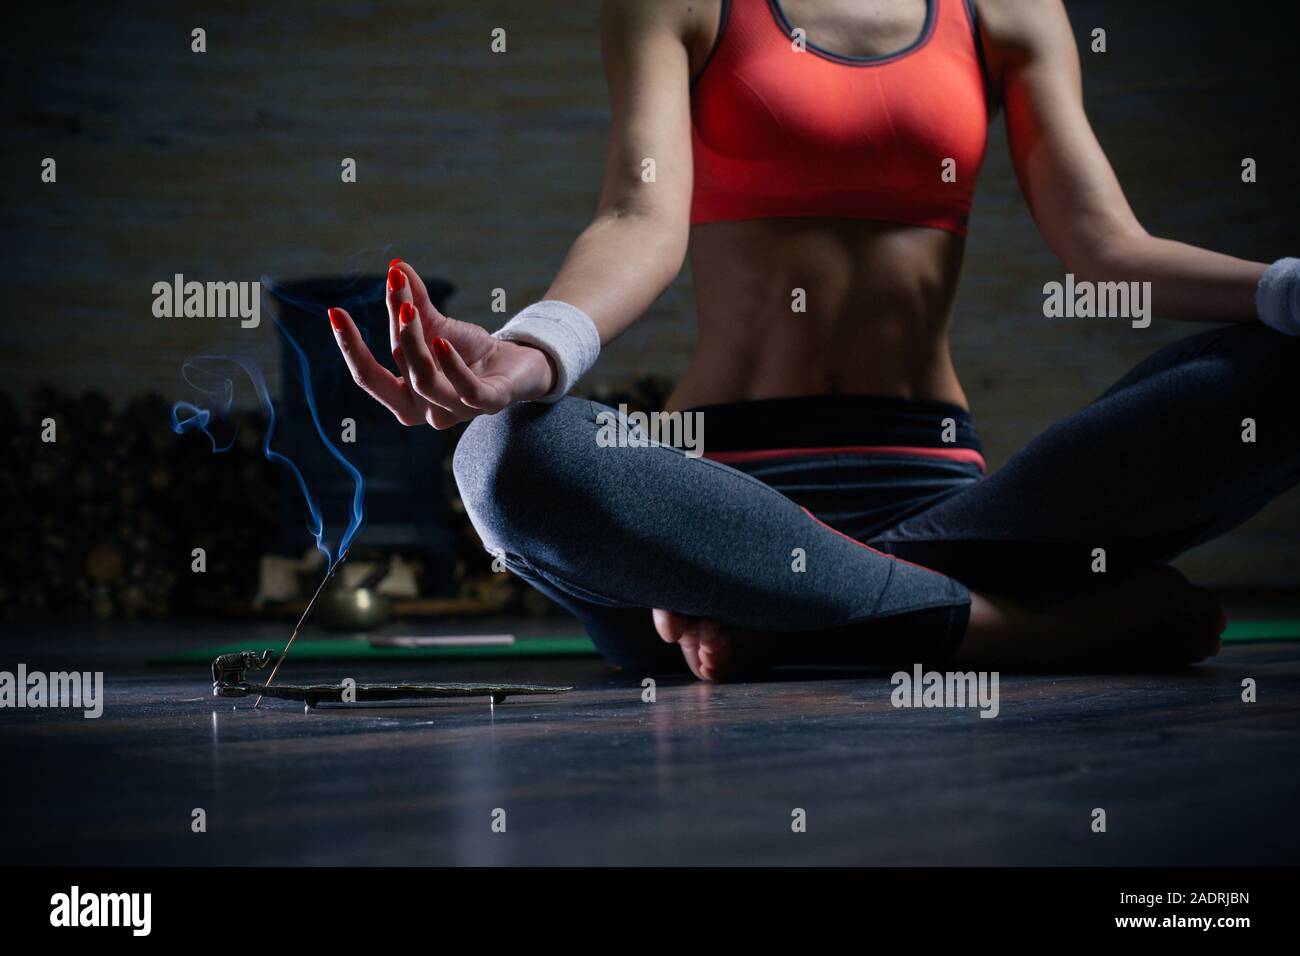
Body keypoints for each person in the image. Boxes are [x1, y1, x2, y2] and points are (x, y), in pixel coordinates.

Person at [327, 0, 1300, 680]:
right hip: (707, 513)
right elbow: (638, 219)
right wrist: (539, 345)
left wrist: (1281, 288)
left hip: (946, 504)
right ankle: (1020, 632)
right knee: (506, 452)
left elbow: (1104, 247)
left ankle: (800, 622)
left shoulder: (1006, 8)